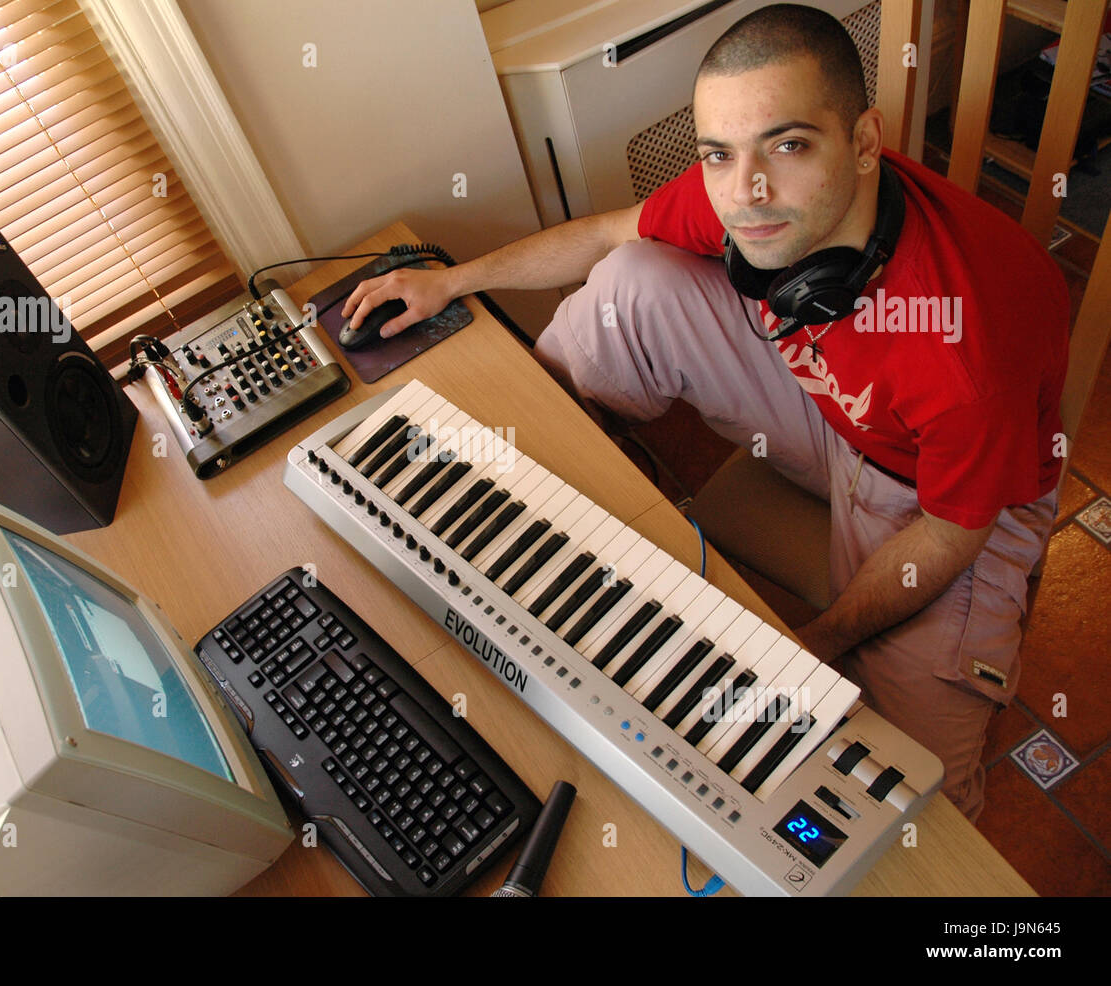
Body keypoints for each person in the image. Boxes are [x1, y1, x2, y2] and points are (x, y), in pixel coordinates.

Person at [340, 4, 1068, 822]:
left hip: (946, 509)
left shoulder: (966, 342)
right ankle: (516, 492)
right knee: (636, 275)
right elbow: (610, 233)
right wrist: (452, 280)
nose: (746, 193)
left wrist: (814, 649)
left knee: (920, 804)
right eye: (719, 154)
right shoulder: (747, 195)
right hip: (836, 415)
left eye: (788, 145)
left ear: (866, 142)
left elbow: (950, 533)